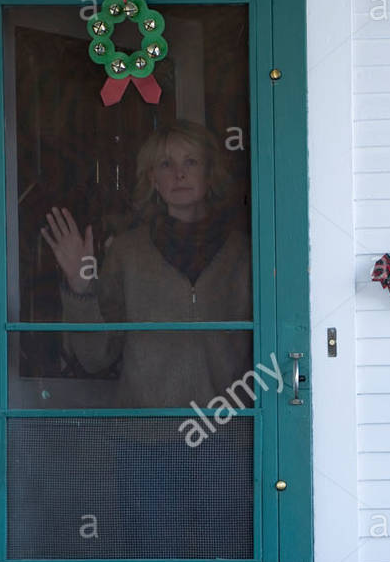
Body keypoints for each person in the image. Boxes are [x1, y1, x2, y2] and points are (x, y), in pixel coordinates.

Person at [41, 120, 252, 409]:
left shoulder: (243, 252)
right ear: (153, 178)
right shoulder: (128, 252)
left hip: (229, 435)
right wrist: (80, 287)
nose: (179, 173)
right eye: (166, 164)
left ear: (209, 172)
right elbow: (96, 357)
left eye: (191, 162)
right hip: (145, 439)